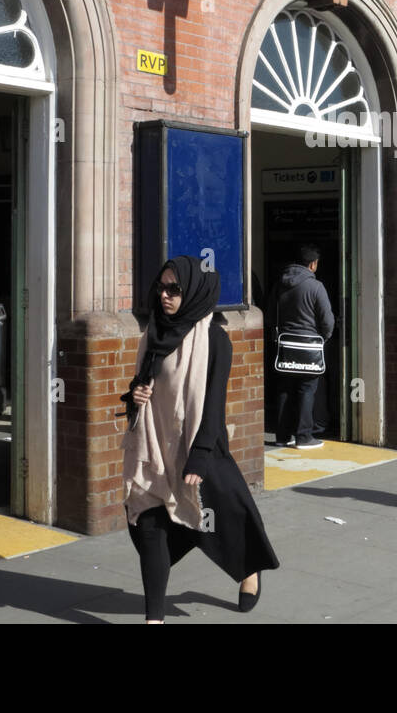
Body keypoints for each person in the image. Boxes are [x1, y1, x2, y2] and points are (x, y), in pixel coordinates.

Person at [122, 256, 279, 622]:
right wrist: (135, 395)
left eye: (174, 289)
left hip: (199, 446)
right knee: (151, 526)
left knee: (226, 515)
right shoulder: (155, 331)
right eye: (161, 288)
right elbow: (142, 383)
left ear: (193, 291)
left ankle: (248, 570)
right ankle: (154, 619)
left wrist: (201, 454)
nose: (165, 296)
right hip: (153, 447)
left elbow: (213, 404)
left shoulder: (214, 340)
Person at [272, 243, 335, 450]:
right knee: (307, 389)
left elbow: (271, 313)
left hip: (285, 346)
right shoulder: (316, 287)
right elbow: (327, 320)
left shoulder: (280, 284)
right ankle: (304, 436)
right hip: (309, 347)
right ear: (313, 264)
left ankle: (282, 436)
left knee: (284, 390)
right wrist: (324, 338)